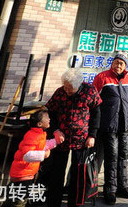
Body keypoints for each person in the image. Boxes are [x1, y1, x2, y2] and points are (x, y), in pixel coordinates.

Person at [42, 70, 101, 207]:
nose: (67, 91)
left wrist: (92, 135)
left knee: (78, 174)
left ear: (79, 85)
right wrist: (55, 130)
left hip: (82, 140)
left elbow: (96, 113)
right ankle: (53, 203)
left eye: (71, 88)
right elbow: (50, 112)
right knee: (56, 172)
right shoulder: (60, 92)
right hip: (61, 138)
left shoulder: (90, 91)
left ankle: (74, 203)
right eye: (66, 87)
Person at [93, 52, 128, 205]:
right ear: (112, 63)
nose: (118, 65)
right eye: (116, 62)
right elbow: (94, 98)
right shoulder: (102, 77)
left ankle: (123, 186)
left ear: (125, 65)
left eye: (122, 63)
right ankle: (110, 189)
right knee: (111, 156)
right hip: (109, 124)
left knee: (123, 155)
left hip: (124, 124)